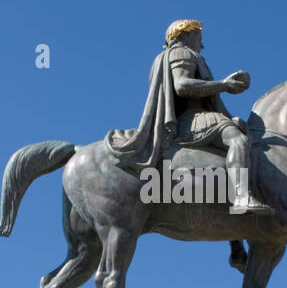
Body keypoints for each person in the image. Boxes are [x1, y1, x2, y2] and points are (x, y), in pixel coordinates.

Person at [107, 19, 273, 238]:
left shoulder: (170, 56)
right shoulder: (183, 54)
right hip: (192, 119)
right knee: (238, 141)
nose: (202, 44)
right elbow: (182, 85)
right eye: (199, 37)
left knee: (236, 141)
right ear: (184, 35)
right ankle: (242, 196)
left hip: (193, 117)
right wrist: (224, 85)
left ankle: (236, 240)